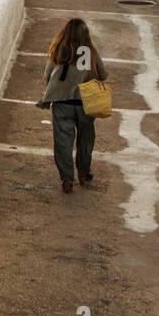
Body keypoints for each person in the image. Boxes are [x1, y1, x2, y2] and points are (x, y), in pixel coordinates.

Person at [38, 17, 108, 193]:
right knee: (86, 140)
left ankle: (67, 180)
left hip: (62, 103)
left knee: (63, 142)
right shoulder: (90, 51)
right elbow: (103, 74)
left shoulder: (58, 50)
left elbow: (47, 77)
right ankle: (84, 173)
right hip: (86, 103)